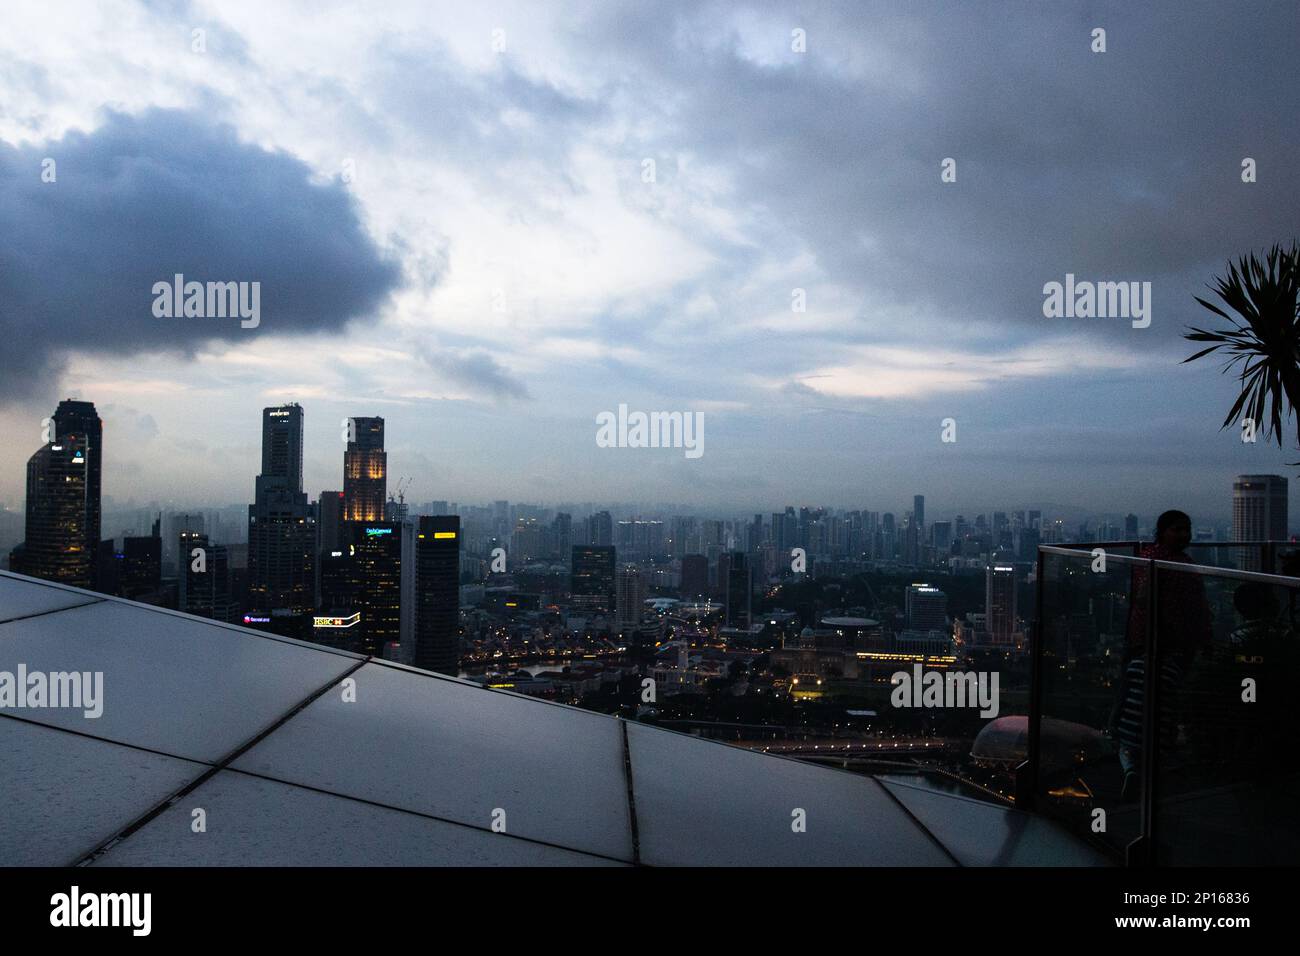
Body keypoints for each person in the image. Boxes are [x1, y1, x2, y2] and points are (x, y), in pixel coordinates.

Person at [1114, 510, 1213, 800]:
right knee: (1161, 700)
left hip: (1149, 641)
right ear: (1162, 531)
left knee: (1139, 698)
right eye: (1177, 530)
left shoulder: (1151, 558)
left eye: (1187, 530)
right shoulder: (1166, 563)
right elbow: (1186, 607)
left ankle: (1132, 755)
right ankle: (1151, 757)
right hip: (1164, 643)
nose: (1184, 535)